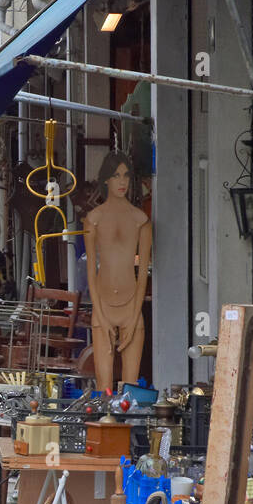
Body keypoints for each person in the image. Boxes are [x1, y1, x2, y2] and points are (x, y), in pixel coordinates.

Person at [83, 152, 151, 392]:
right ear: (106, 180)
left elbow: (142, 272)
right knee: (104, 388)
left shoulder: (140, 220)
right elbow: (91, 271)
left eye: (126, 176)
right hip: (103, 305)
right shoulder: (93, 219)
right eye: (115, 176)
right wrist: (99, 315)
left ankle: (129, 429)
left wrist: (134, 317)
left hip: (131, 305)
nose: (122, 182)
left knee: (130, 388)